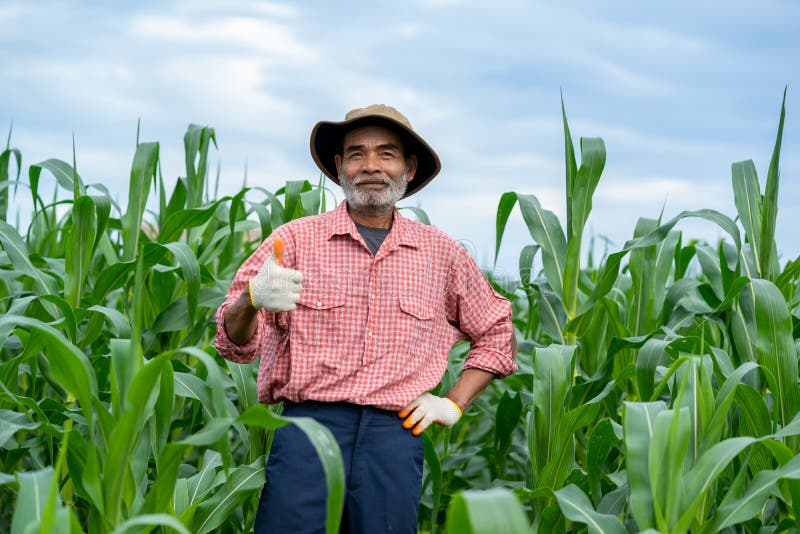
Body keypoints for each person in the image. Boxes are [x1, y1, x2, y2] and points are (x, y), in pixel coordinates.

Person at [214, 104, 518, 533]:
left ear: (409, 168)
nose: (370, 166)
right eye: (356, 154)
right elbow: (233, 342)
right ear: (339, 167)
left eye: (387, 154)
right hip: (308, 433)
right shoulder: (294, 240)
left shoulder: (442, 254)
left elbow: (497, 332)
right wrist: (251, 299)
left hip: (393, 438)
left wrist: (453, 401)